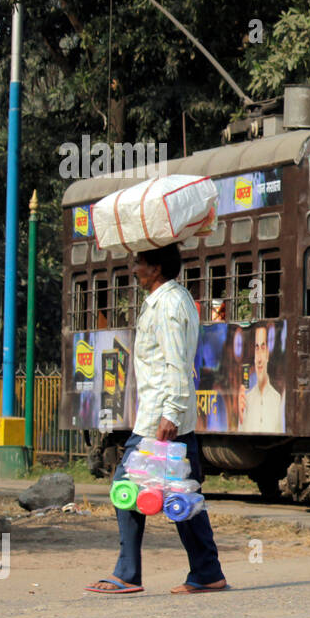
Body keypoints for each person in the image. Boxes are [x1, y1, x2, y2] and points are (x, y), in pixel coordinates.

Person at [86, 243, 228, 595]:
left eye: (140, 263)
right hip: (171, 416)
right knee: (183, 496)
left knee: (125, 487)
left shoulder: (167, 304)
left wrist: (170, 413)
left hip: (161, 419)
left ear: (157, 267)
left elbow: (177, 363)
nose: (134, 269)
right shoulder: (171, 299)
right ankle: (207, 571)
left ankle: (127, 573)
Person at [239, 325, 284, 432]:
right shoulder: (247, 399)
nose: (259, 359)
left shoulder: (277, 399)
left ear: (267, 354)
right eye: (256, 348)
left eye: (263, 349)